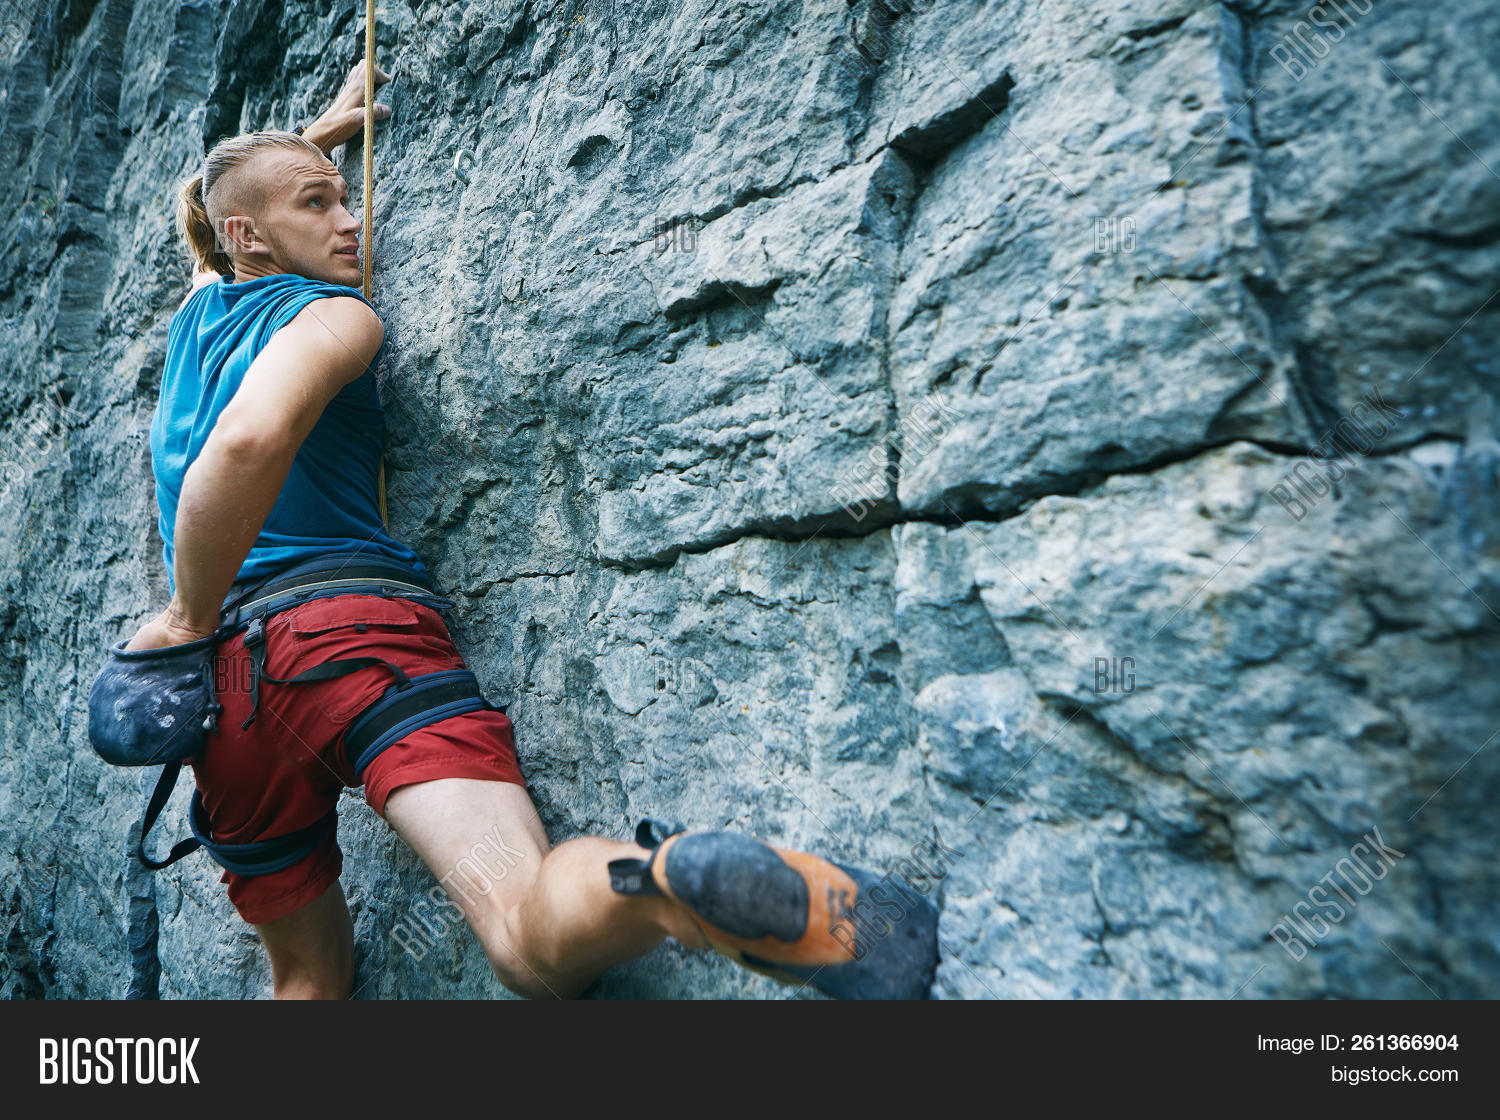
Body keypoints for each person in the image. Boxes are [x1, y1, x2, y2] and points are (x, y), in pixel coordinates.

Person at [123, 59, 938, 1000]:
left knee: (304, 979)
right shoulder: (334, 319)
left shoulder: (194, 314)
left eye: (346, 198)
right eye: (322, 203)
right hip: (353, 643)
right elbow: (249, 440)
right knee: (517, 923)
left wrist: (323, 137)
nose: (354, 222)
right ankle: (665, 886)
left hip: (225, 703)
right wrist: (184, 612)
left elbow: (228, 224)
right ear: (250, 235)